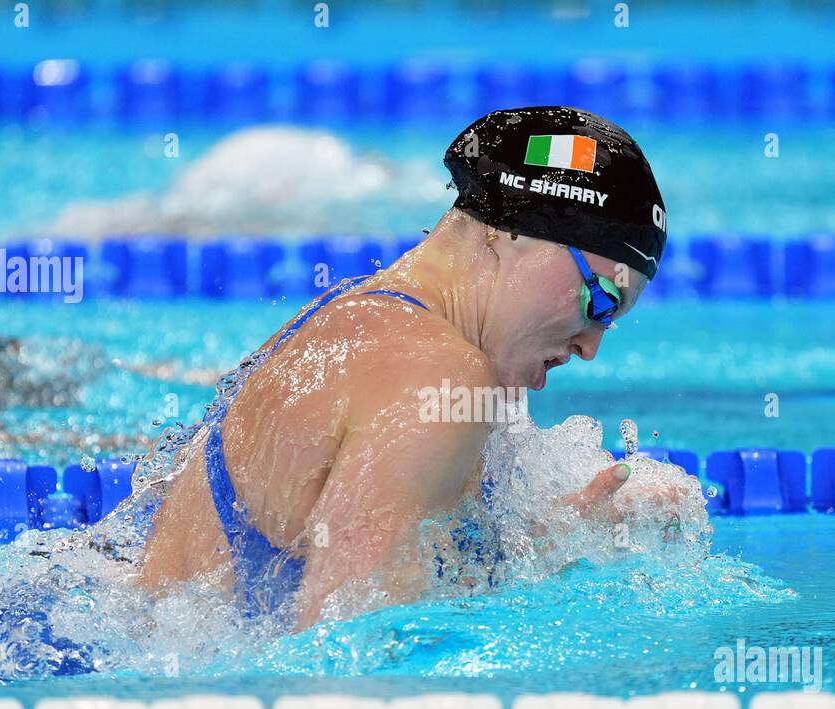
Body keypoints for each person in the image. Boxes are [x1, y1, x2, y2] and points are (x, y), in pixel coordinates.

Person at [139, 106, 669, 630]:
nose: (591, 346)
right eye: (600, 301)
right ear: (510, 233)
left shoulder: (358, 313)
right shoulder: (438, 374)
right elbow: (349, 653)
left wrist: (553, 543)